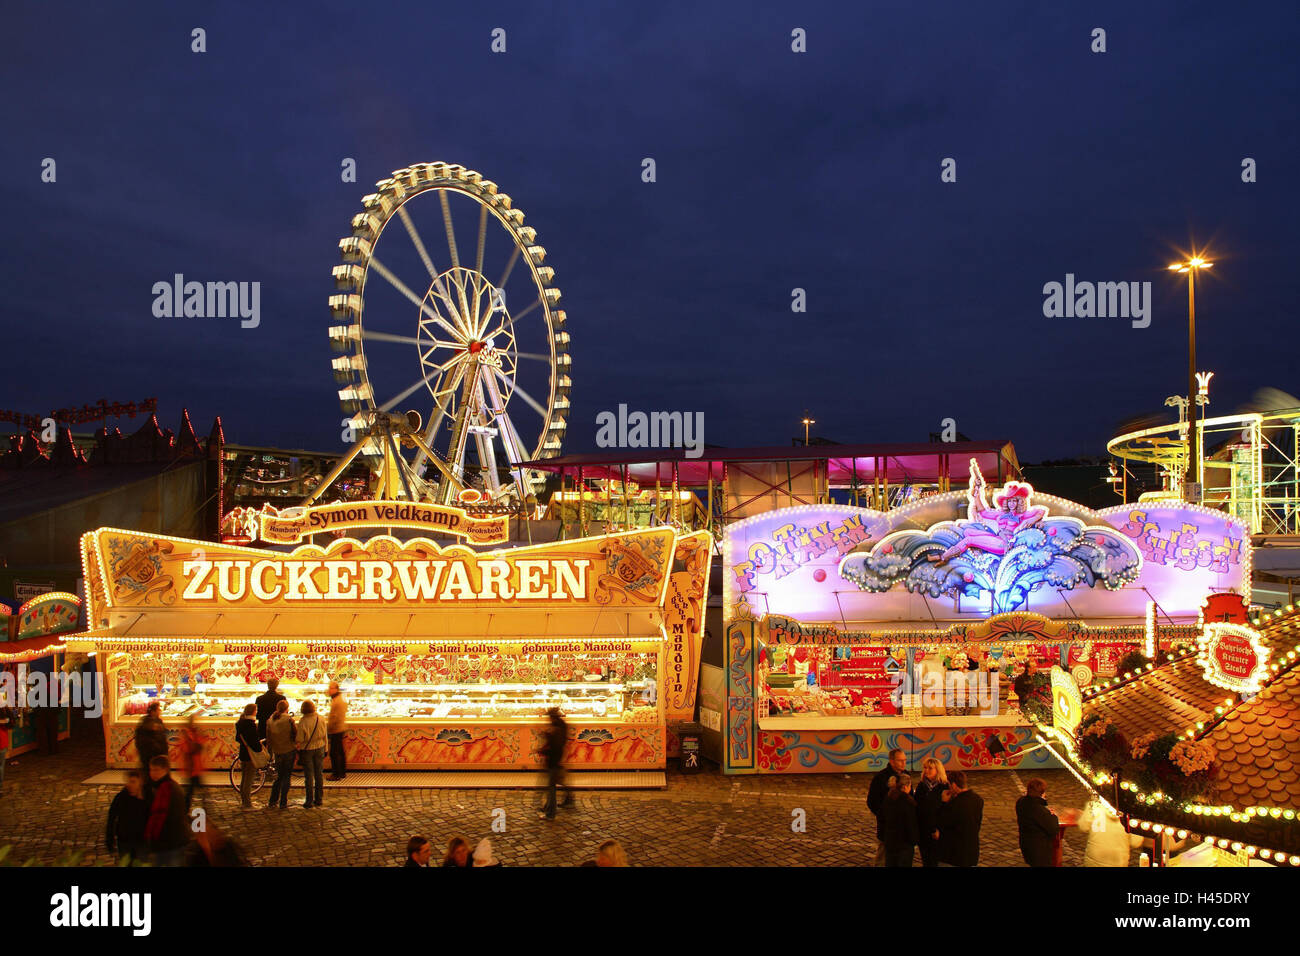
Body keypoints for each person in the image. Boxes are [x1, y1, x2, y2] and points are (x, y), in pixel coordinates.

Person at [143, 756, 190, 866]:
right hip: (168, 841)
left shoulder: (168, 789)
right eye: (151, 770)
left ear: (165, 770)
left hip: (170, 841)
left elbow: (164, 815)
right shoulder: (158, 787)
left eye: (156, 770)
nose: (152, 773)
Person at [866, 748, 907, 866]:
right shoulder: (880, 778)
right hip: (887, 825)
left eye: (905, 760)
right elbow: (872, 801)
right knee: (883, 855)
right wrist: (883, 815)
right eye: (900, 760)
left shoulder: (906, 775)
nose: (904, 763)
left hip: (902, 825)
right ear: (892, 761)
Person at [937, 770, 984, 867]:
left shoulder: (954, 804)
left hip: (953, 854)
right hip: (971, 851)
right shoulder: (978, 799)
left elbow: (942, 822)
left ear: (954, 785)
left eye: (949, 785)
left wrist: (944, 803)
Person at [1077, 799, 1141, 867]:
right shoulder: (1131, 815)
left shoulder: (1094, 805)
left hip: (1092, 863)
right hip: (1118, 863)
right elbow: (1136, 842)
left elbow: (1083, 826)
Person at [105, 769, 149, 863]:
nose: (130, 785)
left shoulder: (147, 798)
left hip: (141, 841)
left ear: (140, 782)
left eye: (133, 782)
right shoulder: (121, 797)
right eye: (128, 782)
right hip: (125, 841)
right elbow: (111, 818)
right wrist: (110, 839)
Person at [1016, 777, 1059, 867]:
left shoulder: (1021, 802)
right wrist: (1053, 816)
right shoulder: (1039, 809)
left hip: (1026, 843)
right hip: (1039, 849)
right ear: (1042, 793)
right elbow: (1053, 828)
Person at [914, 757, 949, 867]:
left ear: (937, 770)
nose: (926, 770)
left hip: (938, 831)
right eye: (925, 768)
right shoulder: (921, 786)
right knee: (926, 859)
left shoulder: (944, 787)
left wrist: (938, 828)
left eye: (930, 768)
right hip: (923, 830)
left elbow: (946, 810)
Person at [538, 707, 571, 820]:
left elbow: (554, 746)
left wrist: (544, 749)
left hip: (553, 760)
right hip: (555, 760)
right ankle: (549, 807)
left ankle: (550, 813)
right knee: (554, 783)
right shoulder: (561, 727)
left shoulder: (557, 729)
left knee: (551, 787)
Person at [264, 699, 297, 809]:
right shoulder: (289, 719)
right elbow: (295, 734)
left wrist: (270, 751)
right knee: (286, 776)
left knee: (279, 776)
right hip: (289, 750)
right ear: (287, 708)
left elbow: (268, 738)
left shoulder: (270, 720)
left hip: (277, 751)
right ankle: (283, 801)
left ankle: (273, 800)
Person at [882, 772, 919, 867]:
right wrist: (914, 840)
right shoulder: (908, 802)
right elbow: (910, 824)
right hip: (904, 844)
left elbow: (882, 818)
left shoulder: (888, 798)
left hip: (890, 841)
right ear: (906, 786)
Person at [296, 700, 328, 808]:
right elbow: (325, 736)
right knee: (319, 774)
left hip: (307, 749)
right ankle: (319, 798)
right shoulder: (321, 718)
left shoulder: (303, 721)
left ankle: (309, 800)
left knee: (308, 775)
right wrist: (326, 748)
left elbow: (300, 738)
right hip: (320, 747)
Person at [234, 703, 263, 810]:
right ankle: (247, 803)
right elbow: (254, 742)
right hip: (251, 755)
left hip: (243, 753)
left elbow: (238, 738)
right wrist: (259, 748)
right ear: (253, 712)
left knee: (244, 778)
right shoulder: (251, 725)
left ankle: (244, 800)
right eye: (256, 710)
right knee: (249, 780)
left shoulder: (240, 723)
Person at [134, 701, 168, 790]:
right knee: (149, 776)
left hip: (157, 754)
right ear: (153, 711)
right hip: (150, 755)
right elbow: (143, 740)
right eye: (158, 709)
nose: (160, 711)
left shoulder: (158, 721)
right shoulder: (146, 723)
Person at [179, 714, 206, 808]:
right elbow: (187, 748)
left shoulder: (193, 732)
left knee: (192, 788)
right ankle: (187, 808)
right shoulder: (188, 733)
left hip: (194, 766)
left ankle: (188, 807)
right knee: (191, 789)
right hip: (191, 766)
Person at [327, 680, 348, 780]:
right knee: (339, 751)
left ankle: (336, 774)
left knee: (334, 753)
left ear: (336, 689)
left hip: (336, 729)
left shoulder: (338, 701)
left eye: (331, 688)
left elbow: (336, 717)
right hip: (339, 728)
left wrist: (329, 728)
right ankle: (342, 772)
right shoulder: (339, 699)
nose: (328, 690)